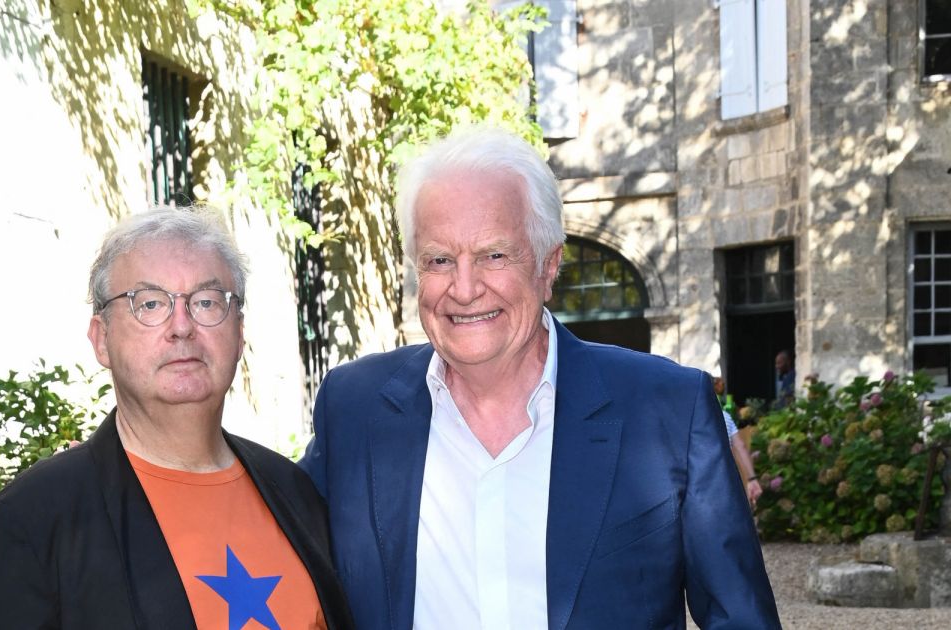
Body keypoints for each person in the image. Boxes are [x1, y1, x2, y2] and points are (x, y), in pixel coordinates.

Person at [300, 128, 780, 628]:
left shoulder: (667, 411)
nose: (464, 289)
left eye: (494, 255)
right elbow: (277, 564)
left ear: (549, 266)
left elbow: (742, 618)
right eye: (440, 260)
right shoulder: (353, 409)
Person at [0, 208, 352, 629]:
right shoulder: (32, 523)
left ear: (239, 333)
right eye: (149, 304)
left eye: (206, 301)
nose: (181, 326)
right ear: (101, 339)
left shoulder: (294, 493)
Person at [713, 375, 764, 507]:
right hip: (725, 482)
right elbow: (740, 446)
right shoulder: (725, 416)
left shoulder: (688, 420)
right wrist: (752, 479)